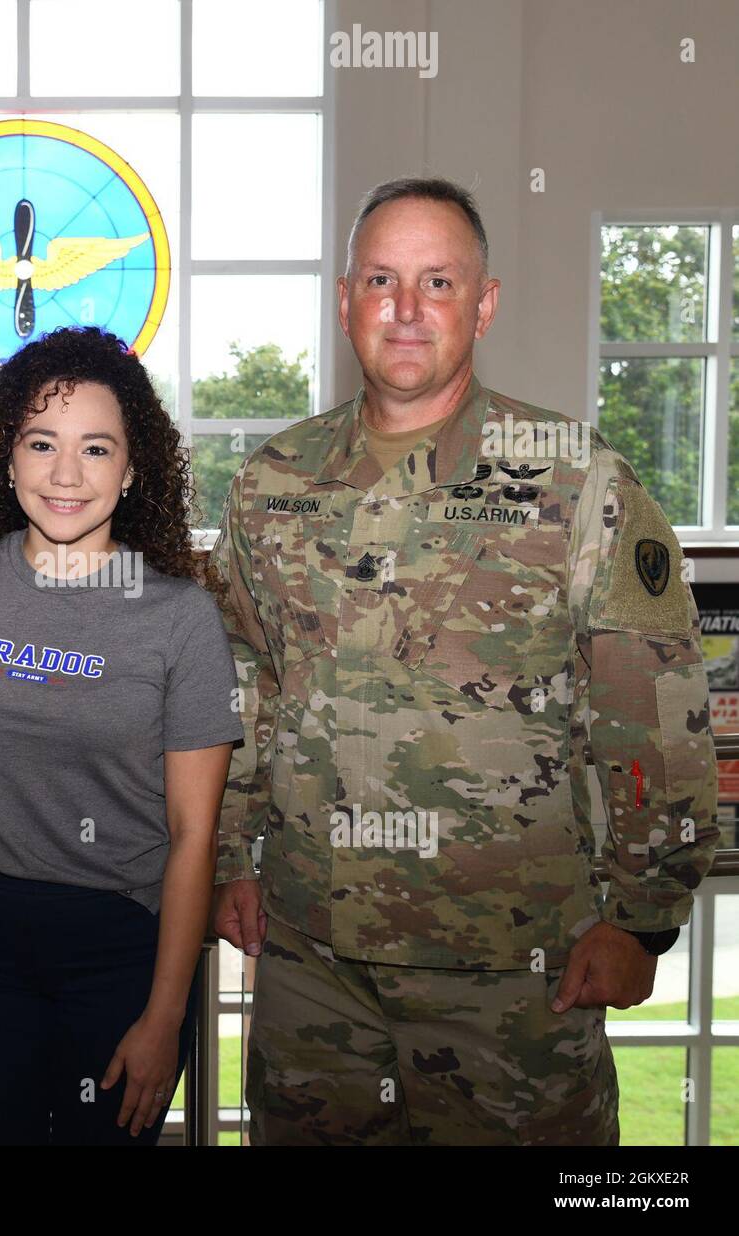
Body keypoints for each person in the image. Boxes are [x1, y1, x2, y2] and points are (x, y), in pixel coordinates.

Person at [210, 177, 718, 1146]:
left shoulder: (574, 480)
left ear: (482, 304)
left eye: (437, 282)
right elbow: (244, 678)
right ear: (344, 298)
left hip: (515, 976)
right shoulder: (271, 484)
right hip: (314, 966)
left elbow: (653, 702)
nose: (405, 310)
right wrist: (231, 856)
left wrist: (643, 916)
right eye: (380, 280)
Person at [0, 326, 242, 1145]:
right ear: (6, 457)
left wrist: (165, 1015)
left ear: (131, 471)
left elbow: (193, 834)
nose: (65, 474)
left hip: (119, 946)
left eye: (96, 449)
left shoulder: (179, 618)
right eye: (40, 443)